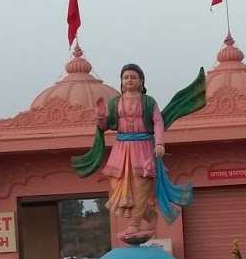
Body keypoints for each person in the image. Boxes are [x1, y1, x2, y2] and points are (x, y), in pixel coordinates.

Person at [73, 64, 207, 243]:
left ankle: (135, 222)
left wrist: (159, 142)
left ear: (141, 81)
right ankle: (150, 215)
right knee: (117, 188)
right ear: (121, 82)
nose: (129, 80)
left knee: (140, 188)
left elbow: (158, 122)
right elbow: (106, 126)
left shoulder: (148, 102)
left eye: (133, 77)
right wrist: (100, 117)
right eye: (126, 77)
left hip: (143, 148)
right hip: (121, 150)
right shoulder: (115, 102)